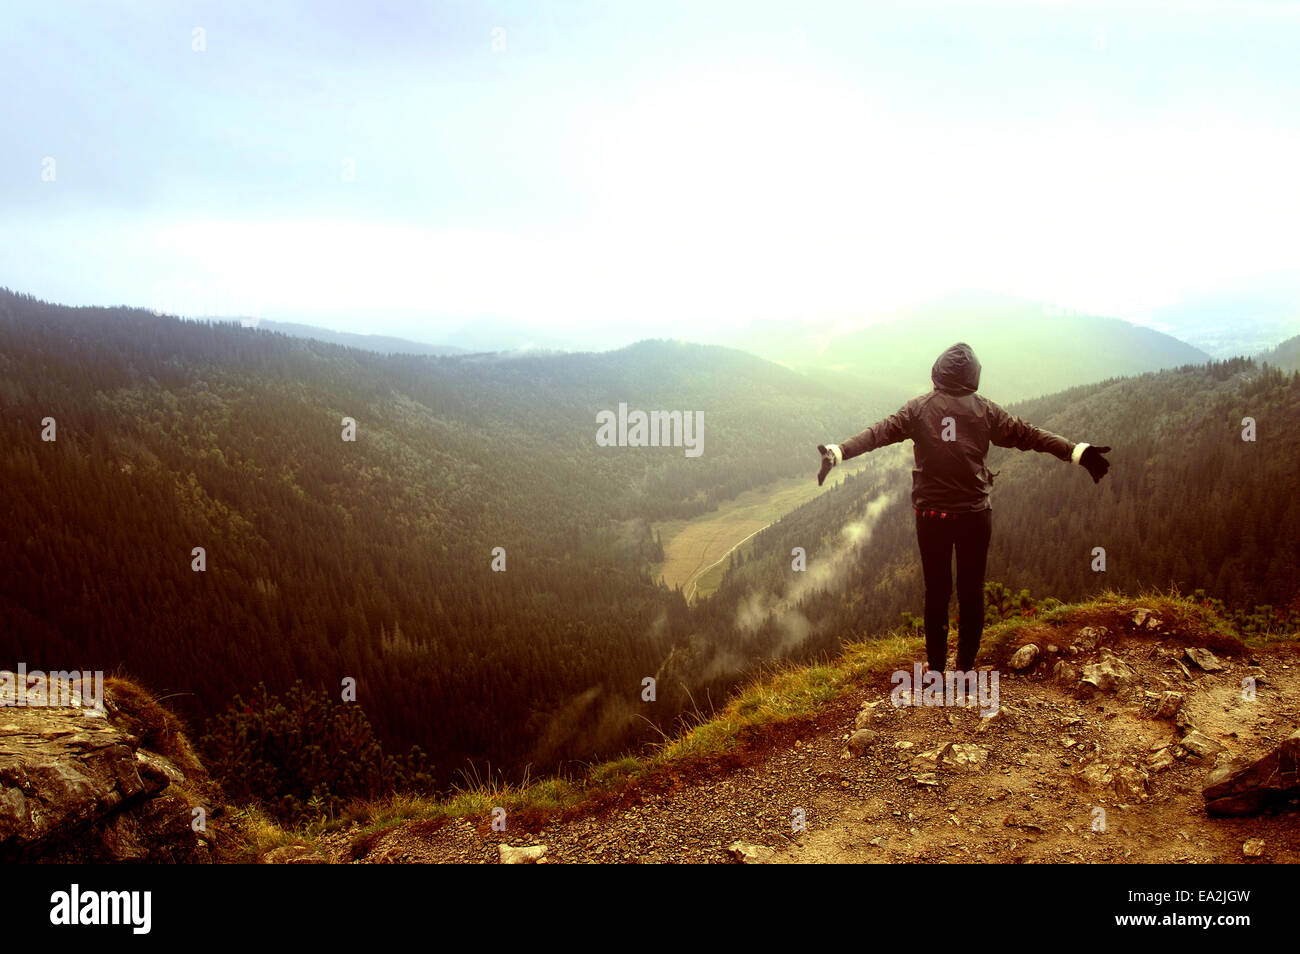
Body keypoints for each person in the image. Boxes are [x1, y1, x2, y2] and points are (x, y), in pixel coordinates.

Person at [815, 342, 1110, 675]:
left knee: (936, 593)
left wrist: (838, 452)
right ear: (974, 376)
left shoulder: (918, 409)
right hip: (974, 516)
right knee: (972, 591)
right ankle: (967, 667)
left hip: (931, 517)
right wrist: (1075, 451)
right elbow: (1030, 435)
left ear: (938, 371)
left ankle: (937, 672)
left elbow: (877, 434)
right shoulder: (986, 411)